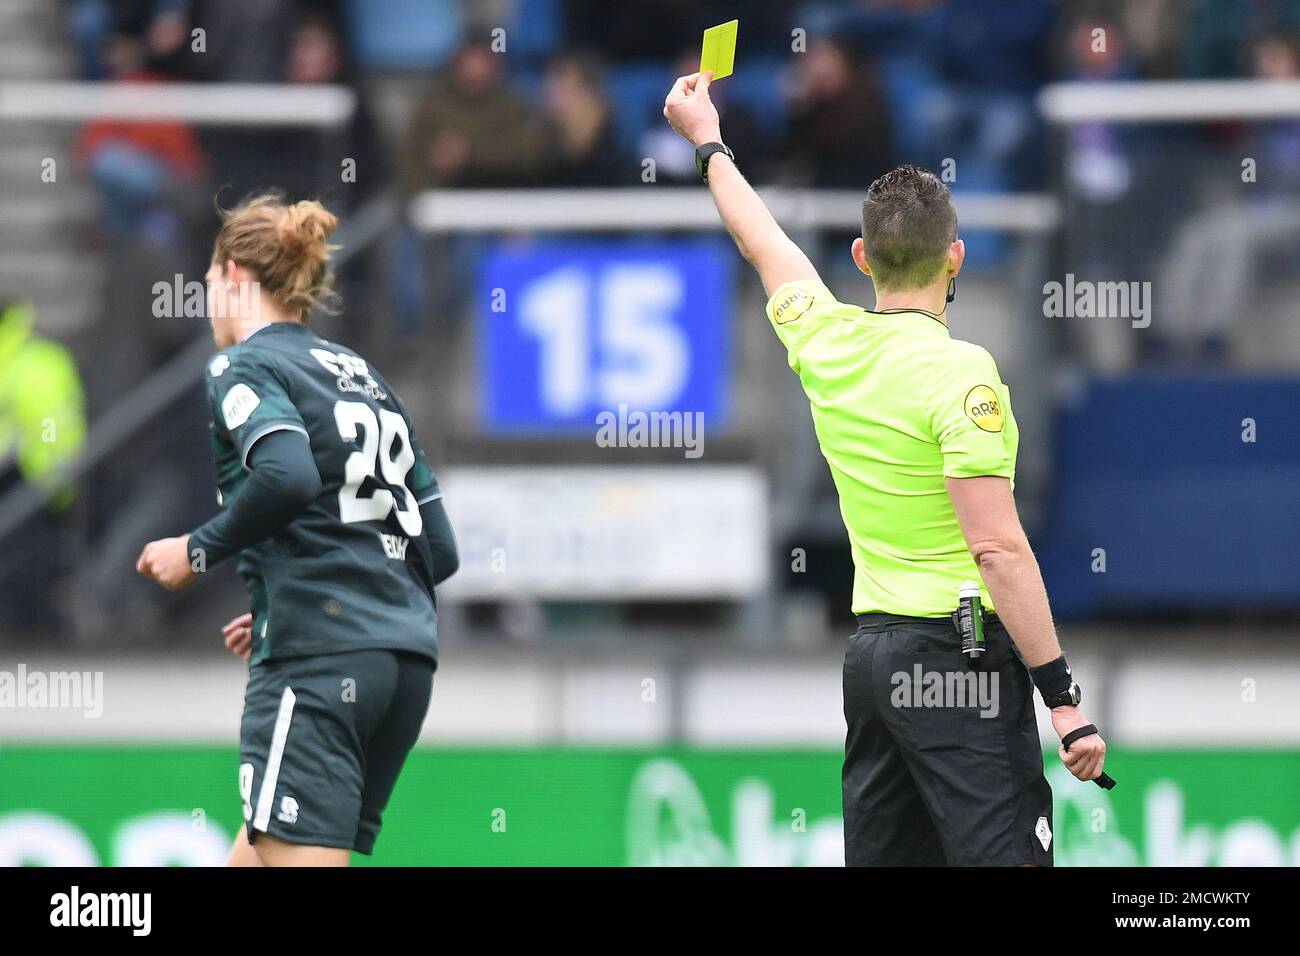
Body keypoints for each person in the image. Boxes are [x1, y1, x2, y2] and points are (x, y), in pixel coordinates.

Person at [663, 72, 1108, 866]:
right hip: (959, 663)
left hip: (874, 663)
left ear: (862, 256)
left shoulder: (825, 341)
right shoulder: (964, 373)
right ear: (956, 257)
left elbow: (759, 239)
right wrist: (1064, 699)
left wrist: (707, 141)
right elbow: (997, 549)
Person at [135, 194, 458, 866]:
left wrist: (194, 552)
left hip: (321, 664)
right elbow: (440, 550)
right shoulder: (364, 377)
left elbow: (285, 476)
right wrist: (302, 592)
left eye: (206, 286)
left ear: (232, 275)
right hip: (402, 664)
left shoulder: (244, 366)